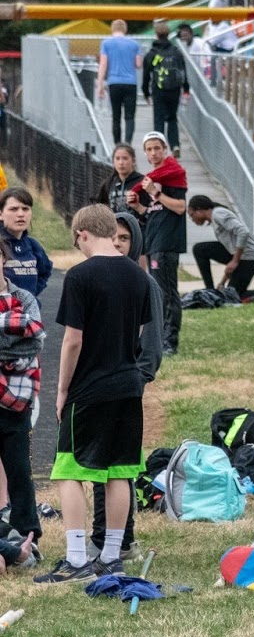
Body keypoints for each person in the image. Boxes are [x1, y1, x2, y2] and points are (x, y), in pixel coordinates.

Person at [33, 205, 150, 583]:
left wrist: (62, 388)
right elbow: (141, 331)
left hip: (89, 387)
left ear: (83, 233)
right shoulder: (138, 275)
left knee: (68, 470)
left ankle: (77, 557)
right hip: (128, 383)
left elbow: (72, 340)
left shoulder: (80, 276)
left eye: (76, 240)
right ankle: (112, 556)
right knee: (119, 470)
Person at [91, 211, 163, 562]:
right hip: (98, 383)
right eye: (113, 237)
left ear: (135, 242)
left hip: (127, 383)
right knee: (99, 464)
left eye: (124, 238)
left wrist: (141, 375)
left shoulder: (143, 282)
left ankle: (123, 538)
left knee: (119, 467)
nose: (117, 243)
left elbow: (152, 341)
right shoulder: (101, 278)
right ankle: (103, 535)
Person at [0, 271, 45, 569]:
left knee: (19, 468)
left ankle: (29, 533)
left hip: (17, 398)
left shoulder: (24, 298)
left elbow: (36, 344)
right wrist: (13, 338)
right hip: (13, 381)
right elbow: (24, 341)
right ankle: (7, 540)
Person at [140, 133, 186, 355]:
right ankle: (161, 339)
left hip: (168, 241)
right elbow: (153, 212)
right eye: (149, 149)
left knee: (168, 293)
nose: (153, 153)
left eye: (157, 148)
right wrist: (139, 206)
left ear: (165, 148)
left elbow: (179, 207)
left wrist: (155, 193)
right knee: (159, 292)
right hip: (154, 240)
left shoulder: (173, 174)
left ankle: (170, 342)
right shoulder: (151, 178)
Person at [188, 195, 254, 294]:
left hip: (251, 258)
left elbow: (243, 232)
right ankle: (210, 291)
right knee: (200, 249)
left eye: (192, 215)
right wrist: (222, 283)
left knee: (233, 296)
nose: (192, 219)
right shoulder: (215, 217)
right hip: (240, 257)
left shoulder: (218, 214)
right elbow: (231, 254)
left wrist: (235, 261)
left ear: (199, 210)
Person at [142, 22, 188, 154]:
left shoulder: (152, 54)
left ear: (156, 35)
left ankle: (159, 148)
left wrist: (146, 92)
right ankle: (175, 145)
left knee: (159, 119)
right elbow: (183, 71)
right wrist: (186, 88)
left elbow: (146, 75)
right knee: (172, 118)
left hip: (158, 90)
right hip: (174, 89)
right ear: (168, 35)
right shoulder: (176, 52)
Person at [97, 20, 142, 146]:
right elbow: (138, 64)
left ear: (112, 29)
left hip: (114, 82)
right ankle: (128, 143)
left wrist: (100, 85)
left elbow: (103, 64)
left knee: (116, 117)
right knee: (129, 116)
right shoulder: (134, 44)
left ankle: (117, 144)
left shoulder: (106, 43)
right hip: (130, 82)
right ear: (125, 29)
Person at [0, 187, 52, 299]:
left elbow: (45, 272)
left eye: (25, 209)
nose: (20, 214)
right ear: (1, 214)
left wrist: (30, 296)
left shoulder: (34, 246)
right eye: (13, 209)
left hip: (29, 314)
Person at [96, 143, 148, 224]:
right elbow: (100, 205)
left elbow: (151, 212)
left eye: (125, 158)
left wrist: (138, 207)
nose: (121, 162)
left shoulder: (142, 182)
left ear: (133, 160)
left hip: (139, 229)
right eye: (117, 158)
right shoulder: (109, 183)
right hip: (115, 230)